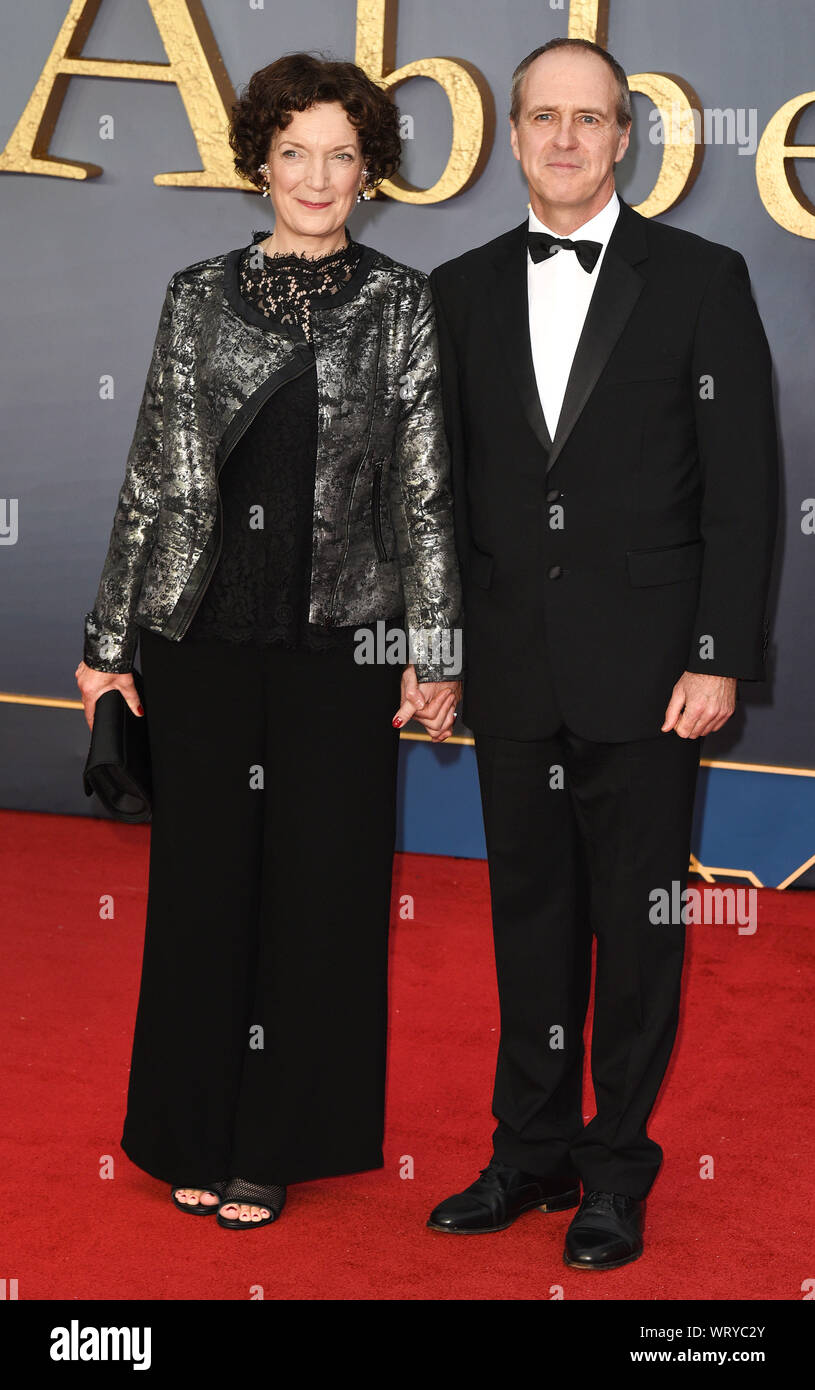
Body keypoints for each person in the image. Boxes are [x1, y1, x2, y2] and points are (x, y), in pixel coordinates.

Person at [75, 52, 461, 1230]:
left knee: (325, 896)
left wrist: (433, 647)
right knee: (203, 894)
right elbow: (152, 478)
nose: (316, 175)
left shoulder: (400, 300)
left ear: (369, 174)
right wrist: (108, 640)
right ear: (259, 162)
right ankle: (190, 1130)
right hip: (201, 639)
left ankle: (274, 1147)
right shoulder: (195, 293)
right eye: (294, 151)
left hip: (338, 646)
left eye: (341, 155)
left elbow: (423, 490)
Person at [426, 37, 777, 1268]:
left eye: (590, 119)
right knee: (527, 920)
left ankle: (612, 1172)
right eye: (542, 118)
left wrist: (716, 653)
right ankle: (524, 1151)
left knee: (634, 930)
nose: (565, 139)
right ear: (510, 136)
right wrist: (434, 648)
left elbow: (742, 492)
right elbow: (439, 499)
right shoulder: (456, 288)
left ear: (624, 136)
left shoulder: (699, 277)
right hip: (511, 665)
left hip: (648, 672)